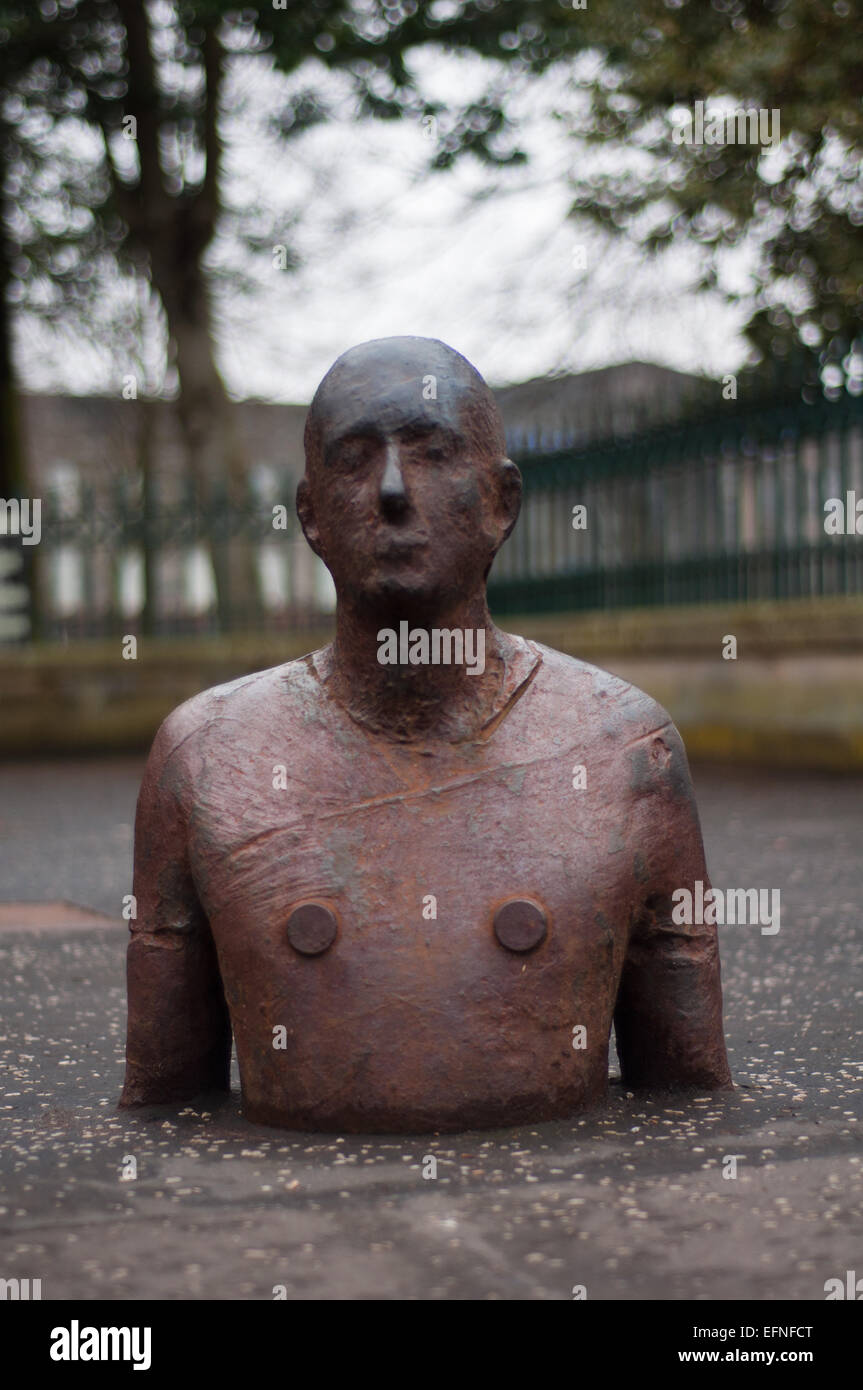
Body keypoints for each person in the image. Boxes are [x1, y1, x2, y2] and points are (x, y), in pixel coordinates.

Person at [119, 336, 731, 1132]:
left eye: (433, 452)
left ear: (501, 502)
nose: (395, 489)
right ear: (309, 515)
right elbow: (163, 1114)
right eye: (354, 459)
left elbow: (687, 1105)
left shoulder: (625, 749)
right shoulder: (204, 755)